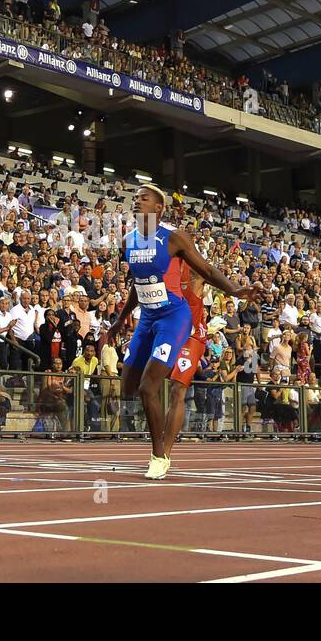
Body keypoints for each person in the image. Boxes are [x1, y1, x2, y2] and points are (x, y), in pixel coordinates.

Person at [98, 185, 256, 480]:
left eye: (144, 199)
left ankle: (159, 456)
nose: (137, 202)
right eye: (135, 199)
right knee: (129, 386)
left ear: (158, 208)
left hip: (174, 317)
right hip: (147, 318)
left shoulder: (173, 238)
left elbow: (207, 271)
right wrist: (121, 320)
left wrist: (235, 289)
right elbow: (138, 283)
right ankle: (157, 443)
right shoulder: (129, 240)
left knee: (149, 387)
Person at [166, 262, 208, 451]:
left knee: (177, 389)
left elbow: (205, 271)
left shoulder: (196, 280)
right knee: (148, 385)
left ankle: (164, 451)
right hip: (172, 334)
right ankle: (162, 432)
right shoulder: (169, 281)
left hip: (192, 338)